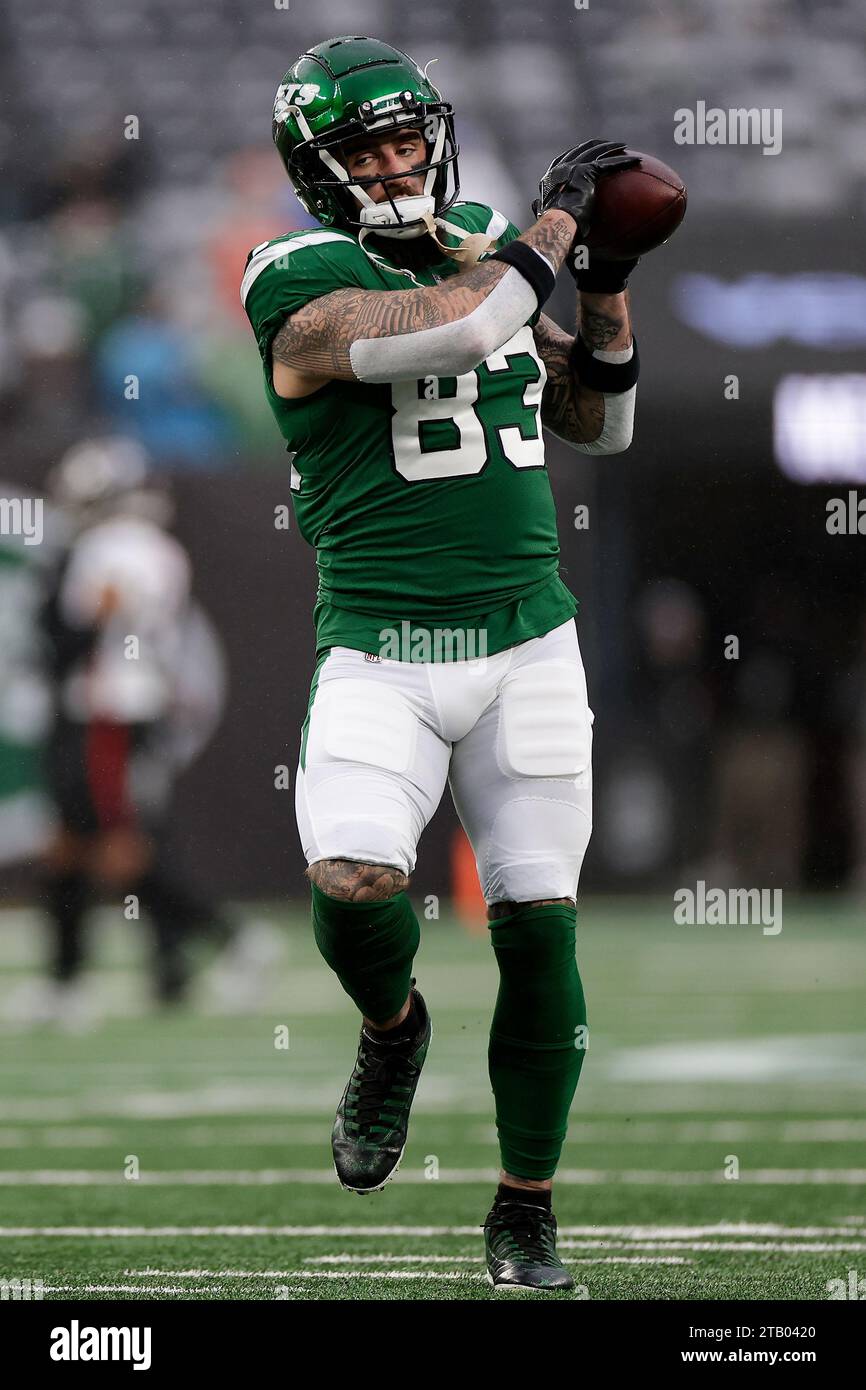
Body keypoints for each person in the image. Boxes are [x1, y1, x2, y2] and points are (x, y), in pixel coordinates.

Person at [243, 35, 642, 1291]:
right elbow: (465, 331)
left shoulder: (480, 246)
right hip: (382, 644)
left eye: (408, 135)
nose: (396, 161)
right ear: (319, 172)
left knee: (538, 931)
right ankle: (391, 1029)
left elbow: (602, 420)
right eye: (365, 146)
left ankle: (522, 1206)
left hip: (527, 641)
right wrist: (560, 227)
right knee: (356, 879)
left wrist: (609, 277)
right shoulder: (294, 273)